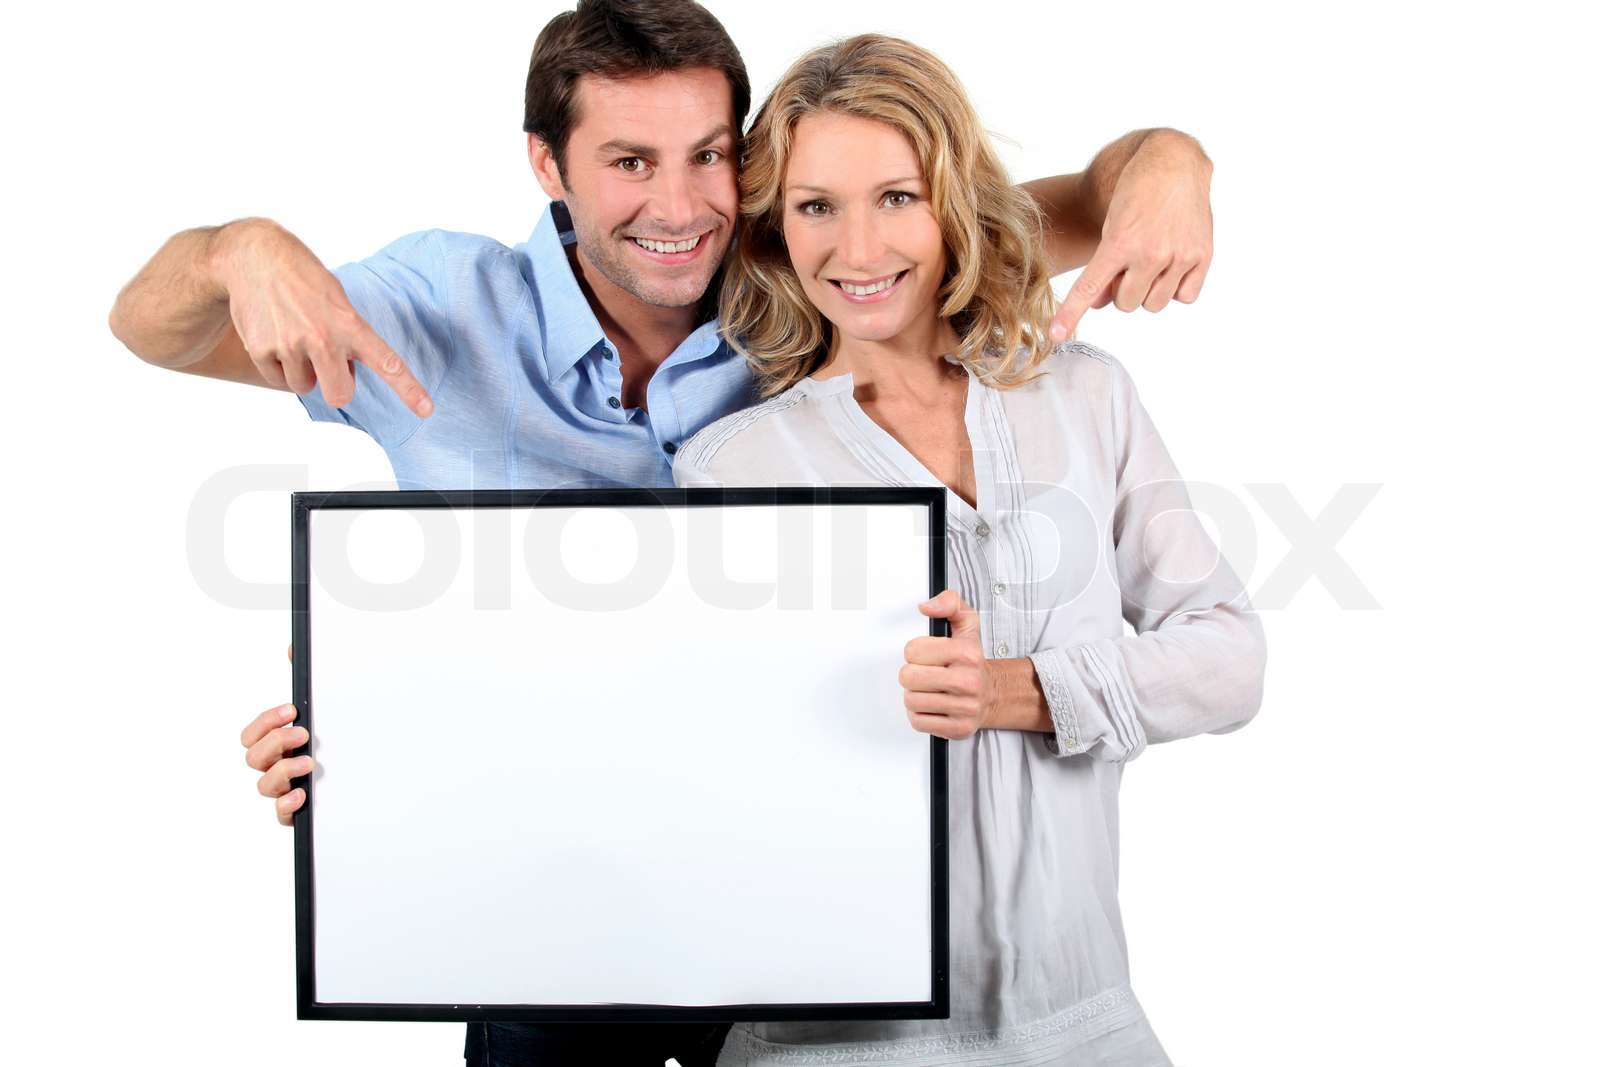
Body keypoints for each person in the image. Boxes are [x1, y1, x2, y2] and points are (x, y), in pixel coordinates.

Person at [107, 3, 1218, 1064]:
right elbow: (152, 328)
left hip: (802, 918)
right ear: (548, 165)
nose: (679, 205)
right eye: (629, 161)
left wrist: (1172, 159)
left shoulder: (808, 263)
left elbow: (1004, 210)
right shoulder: (438, 309)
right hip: (549, 926)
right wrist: (235, 251)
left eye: (708, 156)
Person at [669, 33, 1266, 1066]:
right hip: (829, 1041)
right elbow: (701, 769)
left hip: (1086, 1022)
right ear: (773, 228)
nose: (857, 249)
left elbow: (1229, 655)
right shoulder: (734, 464)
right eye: (816, 206)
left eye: (896, 197)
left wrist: (1014, 689)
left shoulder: (1084, 396)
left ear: (953, 203)